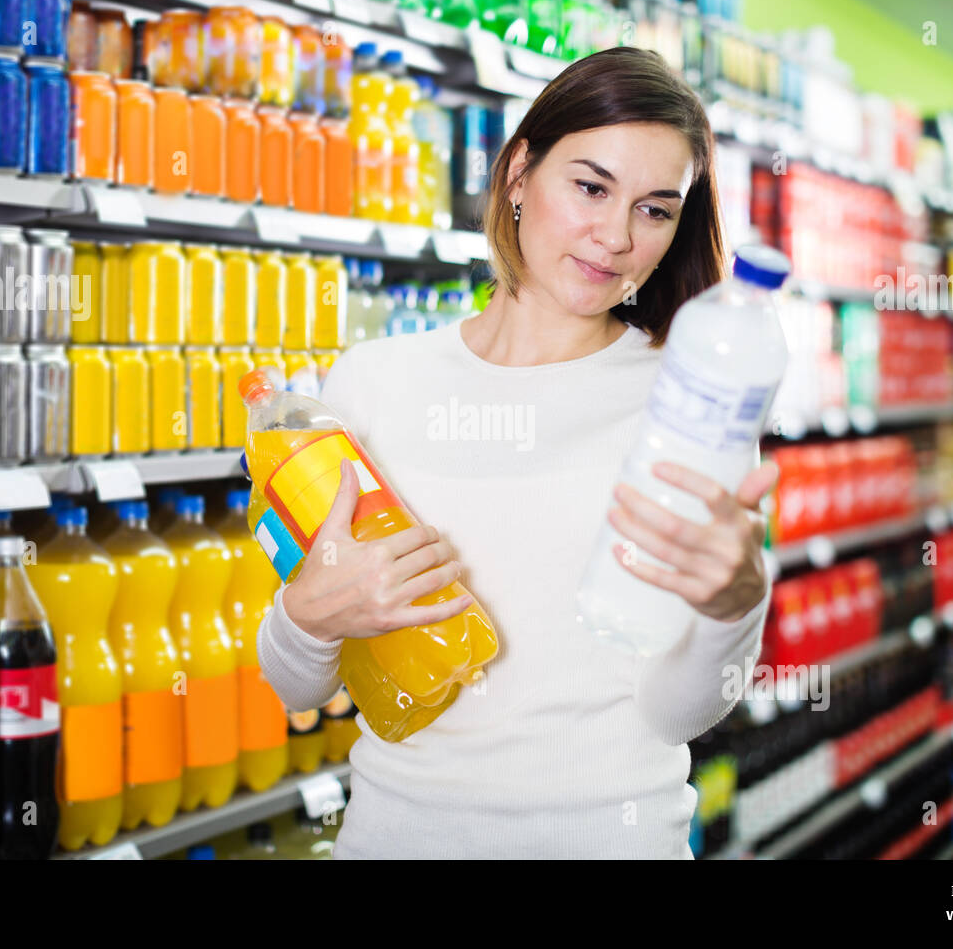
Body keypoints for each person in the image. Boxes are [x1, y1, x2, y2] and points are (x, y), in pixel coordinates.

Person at [257, 46, 778, 858]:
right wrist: (307, 618)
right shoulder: (374, 383)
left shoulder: (687, 408)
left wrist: (735, 607)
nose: (614, 236)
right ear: (519, 174)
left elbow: (677, 714)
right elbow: (297, 684)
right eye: (591, 187)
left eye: (654, 209)